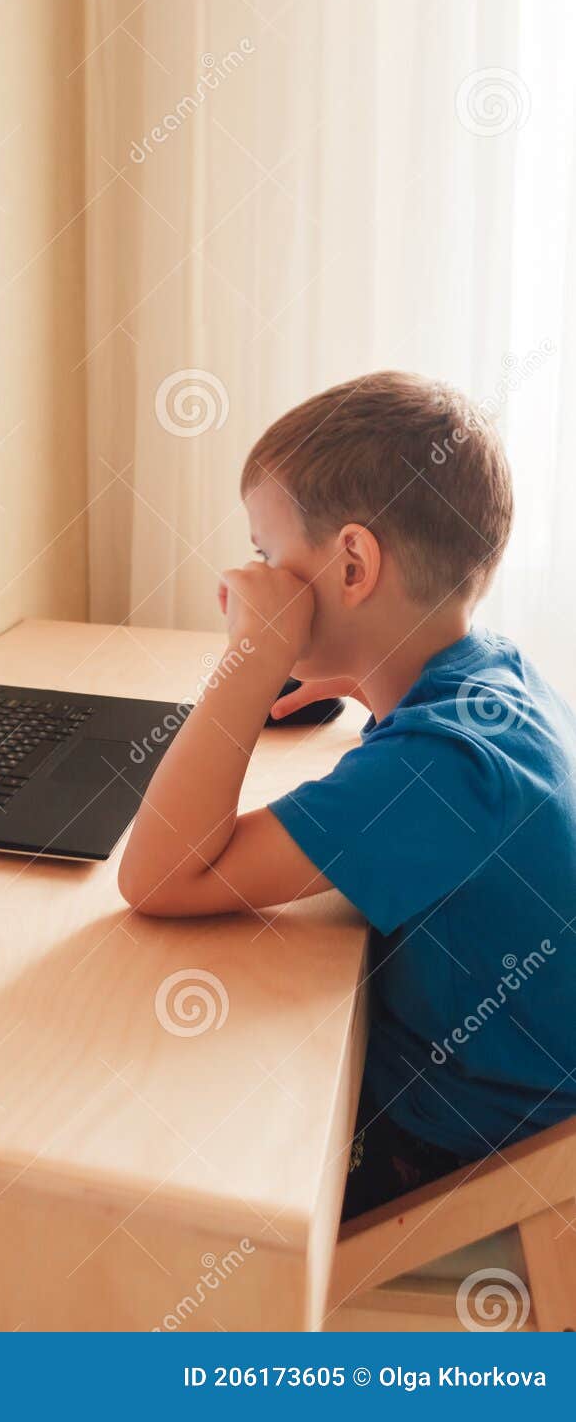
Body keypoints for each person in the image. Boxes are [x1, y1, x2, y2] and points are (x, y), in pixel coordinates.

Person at [119, 371, 576, 1216]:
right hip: (504, 1090)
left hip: (464, 1145)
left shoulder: (442, 767)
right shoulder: (486, 676)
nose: (246, 576)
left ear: (353, 564)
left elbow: (157, 879)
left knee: (143, 1142)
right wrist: (327, 682)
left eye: (265, 553)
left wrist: (247, 668)